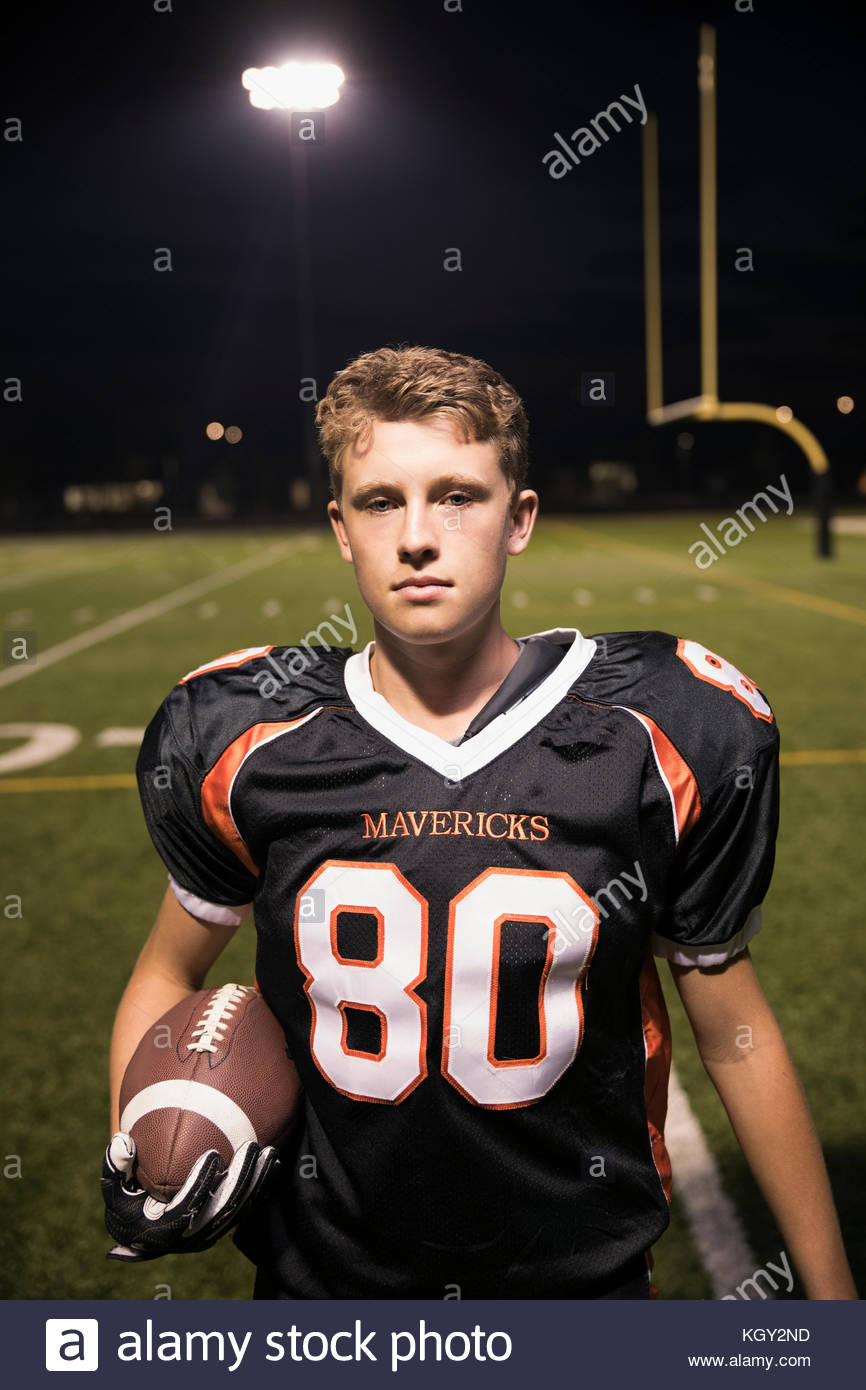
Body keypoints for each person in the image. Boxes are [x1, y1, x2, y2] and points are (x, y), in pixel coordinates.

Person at [102, 345, 857, 1299]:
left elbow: (735, 1033)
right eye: (381, 501)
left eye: (458, 494)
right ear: (342, 529)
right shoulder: (250, 736)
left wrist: (831, 1298)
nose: (418, 535)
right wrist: (148, 1129)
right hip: (322, 1292)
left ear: (519, 519)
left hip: (580, 1287)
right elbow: (167, 973)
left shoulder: (659, 729)